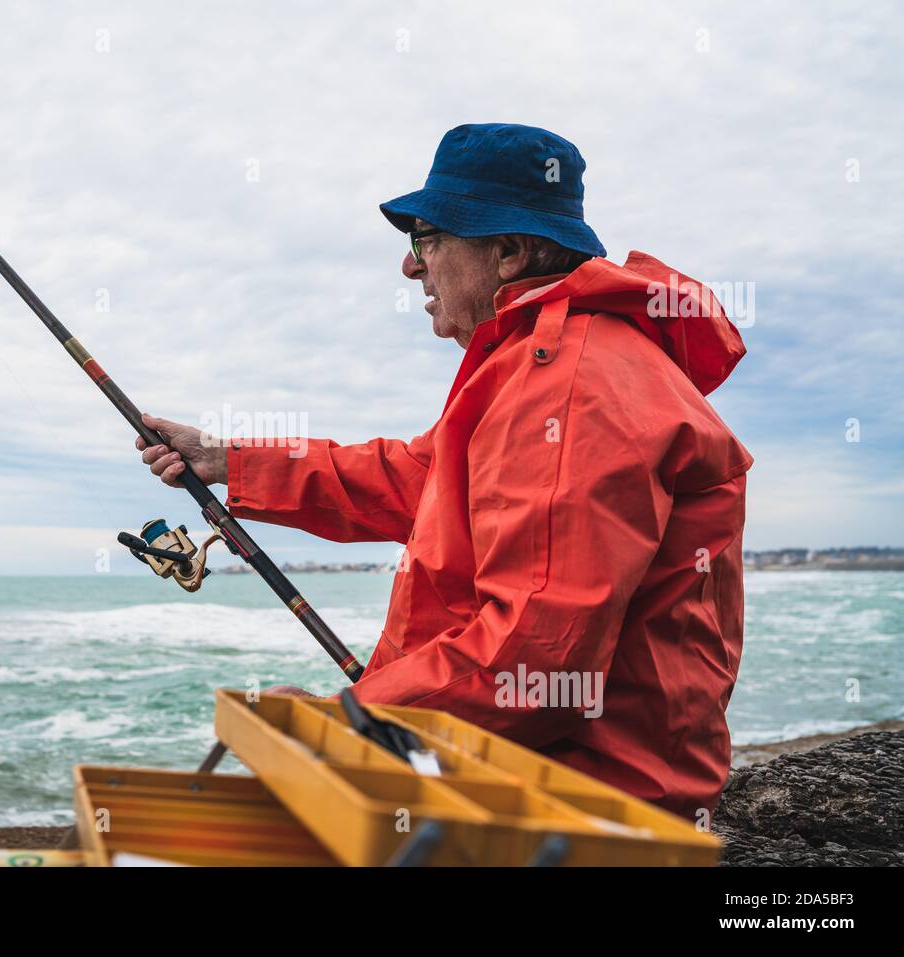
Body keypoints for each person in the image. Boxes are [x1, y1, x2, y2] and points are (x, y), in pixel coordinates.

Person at [136, 123, 752, 820]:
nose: (411, 266)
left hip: (583, 806)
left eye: (426, 238)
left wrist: (339, 724)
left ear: (510, 251)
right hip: (545, 773)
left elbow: (537, 659)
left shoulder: (572, 385)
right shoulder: (542, 361)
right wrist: (229, 460)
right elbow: (415, 480)